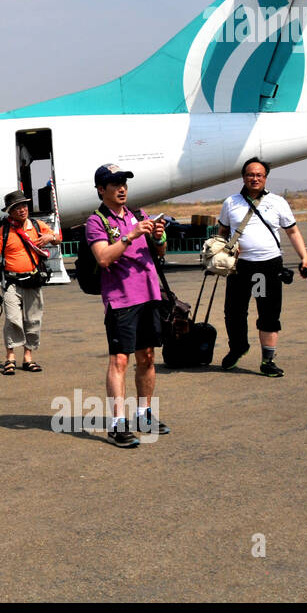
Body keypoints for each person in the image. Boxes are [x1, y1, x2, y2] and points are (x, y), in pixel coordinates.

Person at [84, 164, 170, 448]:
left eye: (124, 183)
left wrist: (157, 235)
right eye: (115, 184)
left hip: (149, 294)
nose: (121, 188)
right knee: (120, 360)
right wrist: (130, 235)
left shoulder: (138, 214)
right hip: (121, 300)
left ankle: (144, 415)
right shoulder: (96, 222)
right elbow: (103, 258)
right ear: (101, 189)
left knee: (147, 357)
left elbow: (160, 251)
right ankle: (117, 425)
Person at [217, 157, 307, 377]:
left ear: (265, 178)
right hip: (240, 268)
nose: (255, 178)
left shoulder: (278, 202)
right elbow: (221, 232)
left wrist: (304, 257)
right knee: (234, 312)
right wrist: (221, 253)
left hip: (267, 268)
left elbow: (293, 232)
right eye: (250, 174)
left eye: (259, 175)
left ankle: (267, 361)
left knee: (268, 312)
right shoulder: (231, 203)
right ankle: (238, 347)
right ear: (243, 177)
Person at [0, 190, 57, 376]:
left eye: (24, 205)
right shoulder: (3, 232)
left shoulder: (37, 225)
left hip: (33, 280)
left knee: (33, 319)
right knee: (12, 319)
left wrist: (50, 237)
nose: (22, 209)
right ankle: (10, 357)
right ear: (10, 211)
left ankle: (28, 357)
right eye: (17, 207)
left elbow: (58, 238)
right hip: (11, 282)